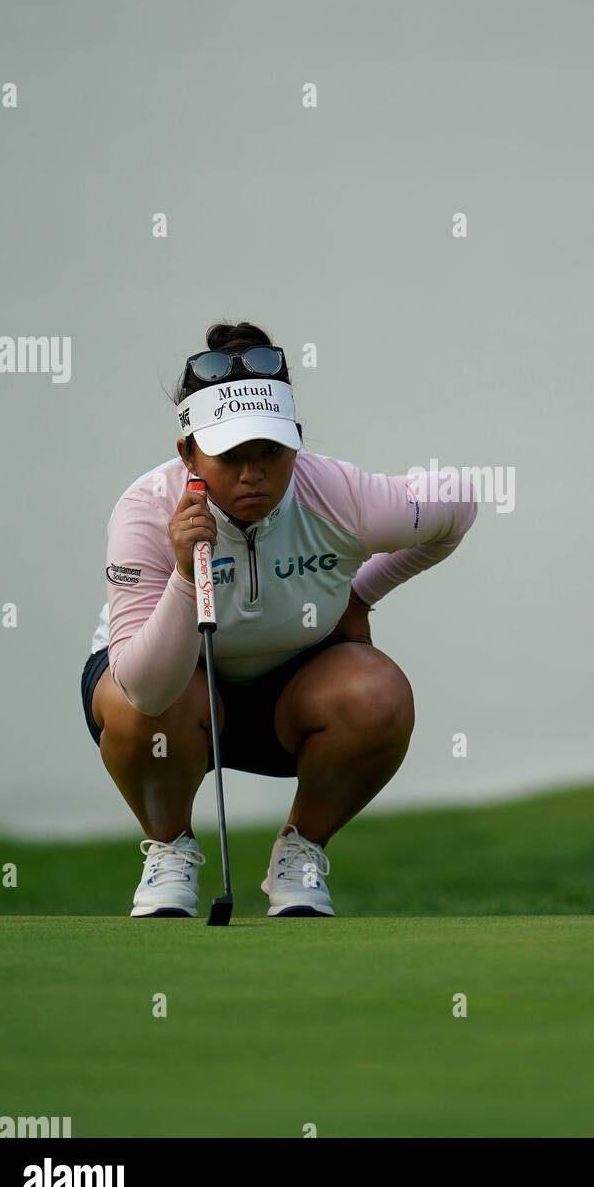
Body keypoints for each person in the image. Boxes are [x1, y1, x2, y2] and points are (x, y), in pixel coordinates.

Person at [80, 321, 477, 918]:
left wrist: (362, 594)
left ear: (297, 441)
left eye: (270, 451)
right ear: (188, 452)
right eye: (230, 455)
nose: (253, 474)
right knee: (144, 709)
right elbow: (146, 688)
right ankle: (168, 849)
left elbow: (457, 505)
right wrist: (188, 575)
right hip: (170, 699)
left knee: (379, 695)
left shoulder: (337, 495)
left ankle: (301, 851)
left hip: (292, 693)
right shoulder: (144, 511)